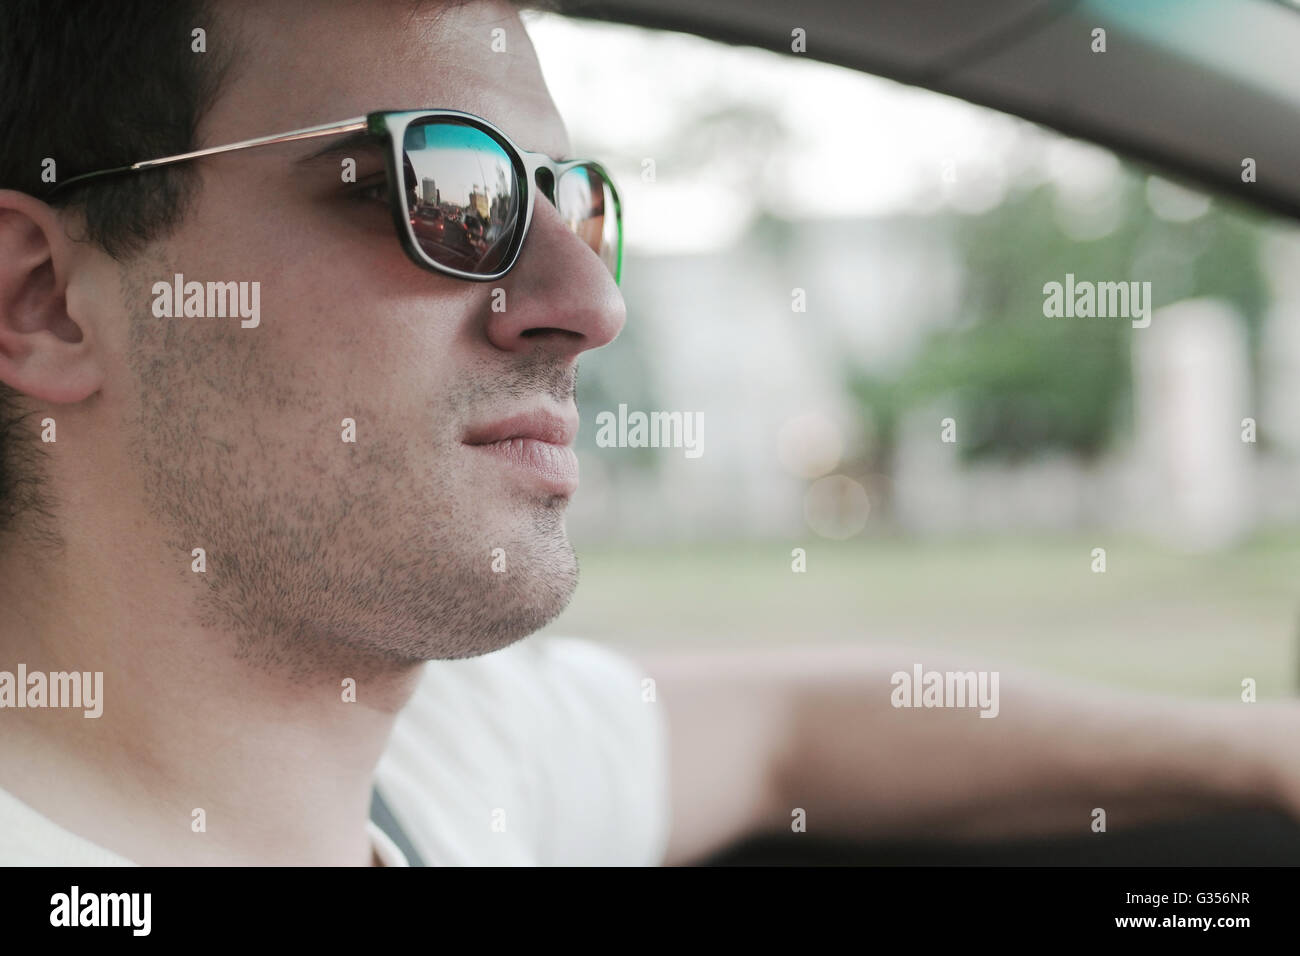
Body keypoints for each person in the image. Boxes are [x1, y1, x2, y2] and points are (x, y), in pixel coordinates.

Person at [0, 0, 1296, 867]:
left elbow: (793, 720)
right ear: (47, 300)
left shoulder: (453, 762)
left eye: (574, 202)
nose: (590, 306)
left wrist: (1264, 747)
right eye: (447, 190)